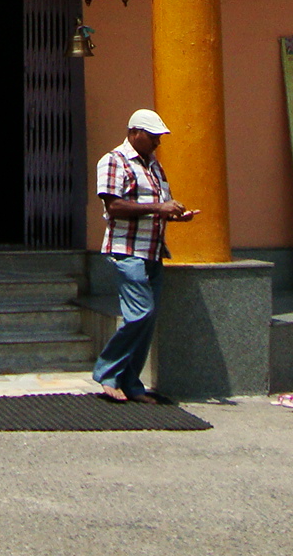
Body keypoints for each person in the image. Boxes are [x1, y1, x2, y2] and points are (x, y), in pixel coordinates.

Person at [92, 109, 197, 404]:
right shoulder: (114, 161)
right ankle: (107, 373)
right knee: (140, 314)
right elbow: (113, 207)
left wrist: (176, 215)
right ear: (135, 133)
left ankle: (130, 382)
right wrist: (158, 210)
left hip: (152, 252)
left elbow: (158, 206)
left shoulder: (153, 166)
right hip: (127, 251)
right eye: (153, 138)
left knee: (147, 320)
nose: (157, 144)